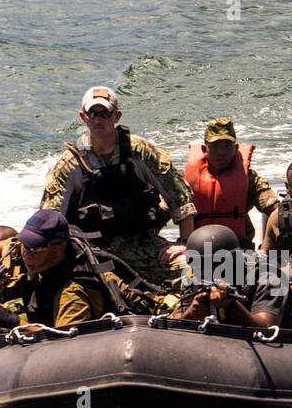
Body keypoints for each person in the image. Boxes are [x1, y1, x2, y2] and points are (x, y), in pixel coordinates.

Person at [40, 87, 196, 286]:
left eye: (105, 113)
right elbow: (50, 218)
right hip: (91, 253)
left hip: (142, 245)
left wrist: (184, 243)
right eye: (92, 113)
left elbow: (180, 197)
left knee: (195, 272)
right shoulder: (71, 163)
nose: (98, 120)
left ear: (116, 116)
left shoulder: (139, 151)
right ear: (83, 117)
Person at [0, 210, 175, 331]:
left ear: (59, 247)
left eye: (35, 249)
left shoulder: (74, 290)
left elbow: (64, 343)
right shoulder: (31, 248)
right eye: (25, 246)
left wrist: (13, 322)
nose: (26, 254)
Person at [184, 118, 278, 247]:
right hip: (197, 250)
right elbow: (164, 210)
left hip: (238, 249)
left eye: (227, 147)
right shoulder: (184, 183)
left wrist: (268, 246)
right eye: (216, 147)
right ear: (204, 148)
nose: (221, 153)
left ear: (236, 148)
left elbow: (273, 208)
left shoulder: (249, 179)